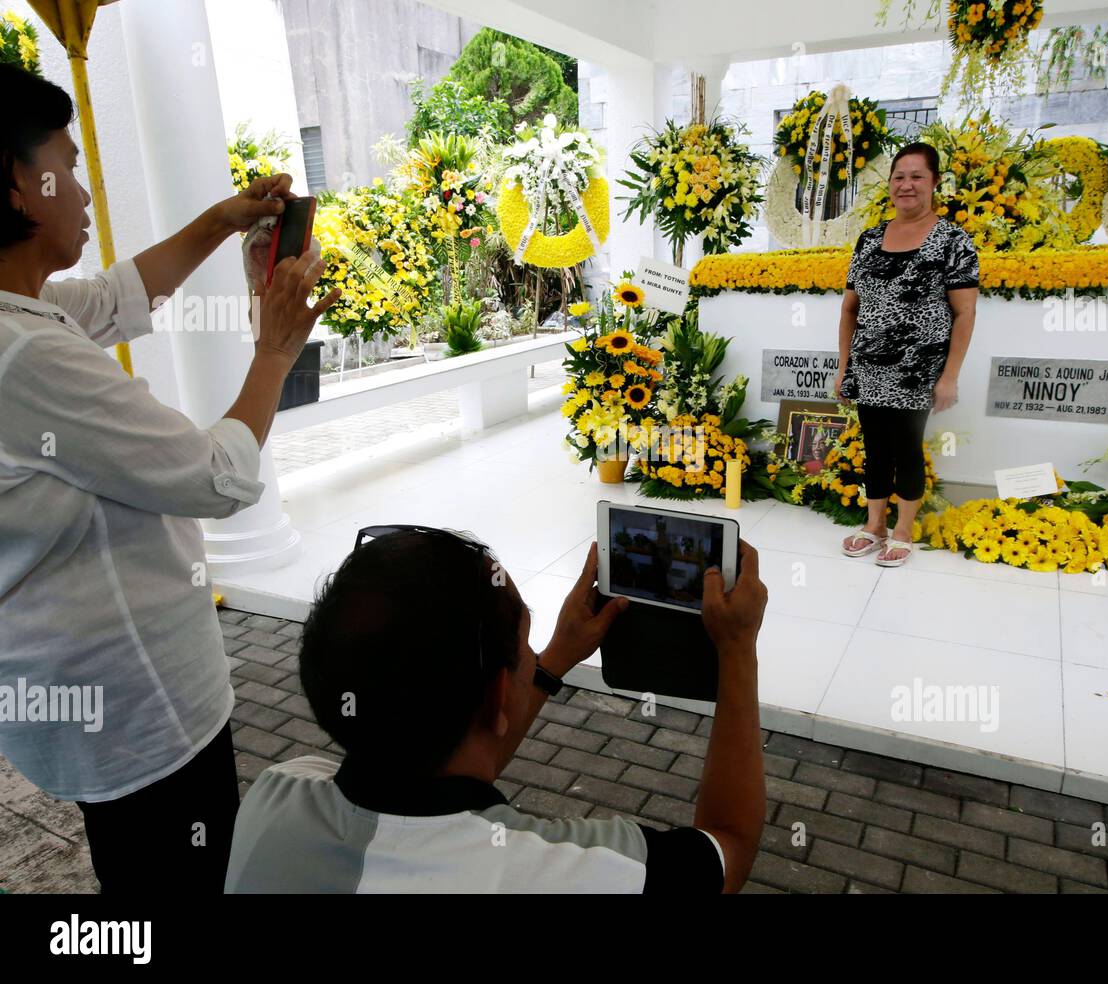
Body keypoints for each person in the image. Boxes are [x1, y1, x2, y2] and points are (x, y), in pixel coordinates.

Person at [0, 64, 339, 893]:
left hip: (82, 696)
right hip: (139, 713)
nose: (81, 191)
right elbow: (216, 477)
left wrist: (222, 223)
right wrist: (275, 350)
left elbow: (118, 296)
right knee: (173, 876)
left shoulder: (25, 317)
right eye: (68, 166)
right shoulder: (26, 356)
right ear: (15, 183)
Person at [224, 528, 768, 893]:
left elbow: (445, 766)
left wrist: (552, 658)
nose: (530, 657)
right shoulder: (576, 873)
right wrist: (736, 651)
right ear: (495, 697)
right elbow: (729, 845)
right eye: (524, 644)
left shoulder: (276, 794)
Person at [835, 141, 979, 567]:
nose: (906, 184)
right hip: (868, 365)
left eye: (917, 176)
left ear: (935, 182)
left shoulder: (953, 240)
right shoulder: (870, 238)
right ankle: (874, 525)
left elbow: (965, 312)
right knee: (875, 447)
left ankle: (903, 530)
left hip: (919, 368)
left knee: (906, 447)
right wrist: (844, 367)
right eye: (899, 176)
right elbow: (849, 309)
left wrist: (949, 376)